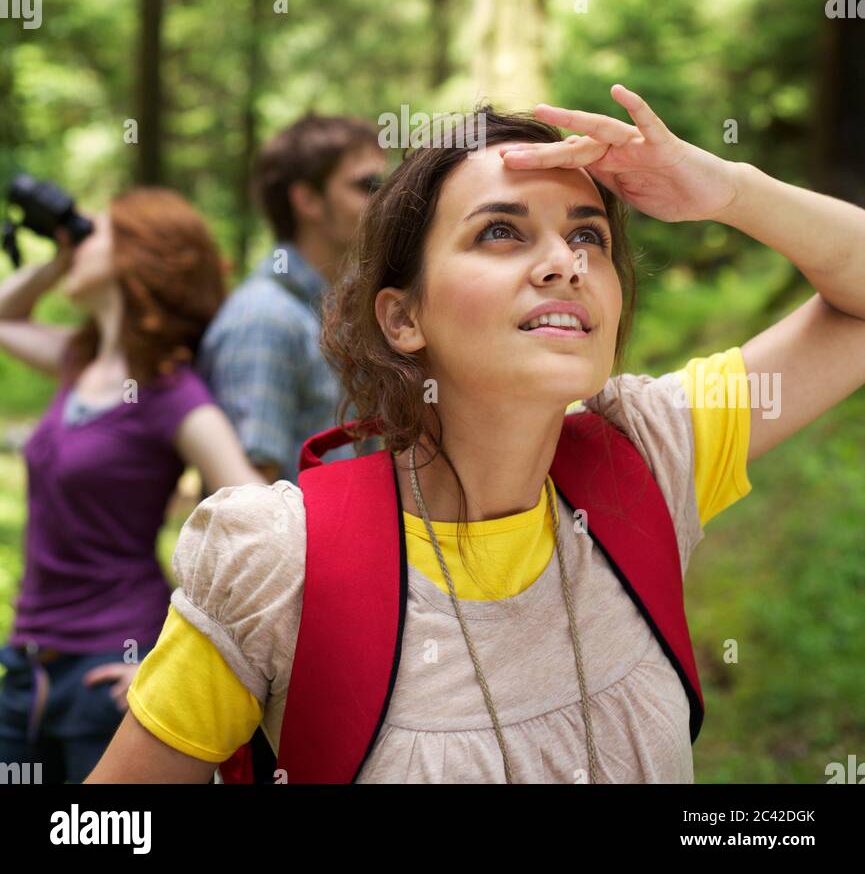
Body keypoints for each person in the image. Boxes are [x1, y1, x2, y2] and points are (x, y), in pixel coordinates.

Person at [84, 89, 865, 784]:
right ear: (402, 317)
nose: (564, 262)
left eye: (588, 235)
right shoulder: (278, 562)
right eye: (500, 232)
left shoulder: (650, 453)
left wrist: (726, 189)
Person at [0, 187, 263, 784]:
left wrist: (175, 661)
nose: (79, 243)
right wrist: (60, 259)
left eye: (96, 234)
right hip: (27, 666)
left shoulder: (169, 391)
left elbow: (255, 513)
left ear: (138, 256)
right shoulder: (78, 362)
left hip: (108, 670)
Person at [196, 112, 388, 484]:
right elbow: (246, 505)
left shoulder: (341, 309)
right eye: (368, 185)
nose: (384, 200)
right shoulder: (265, 317)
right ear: (307, 200)